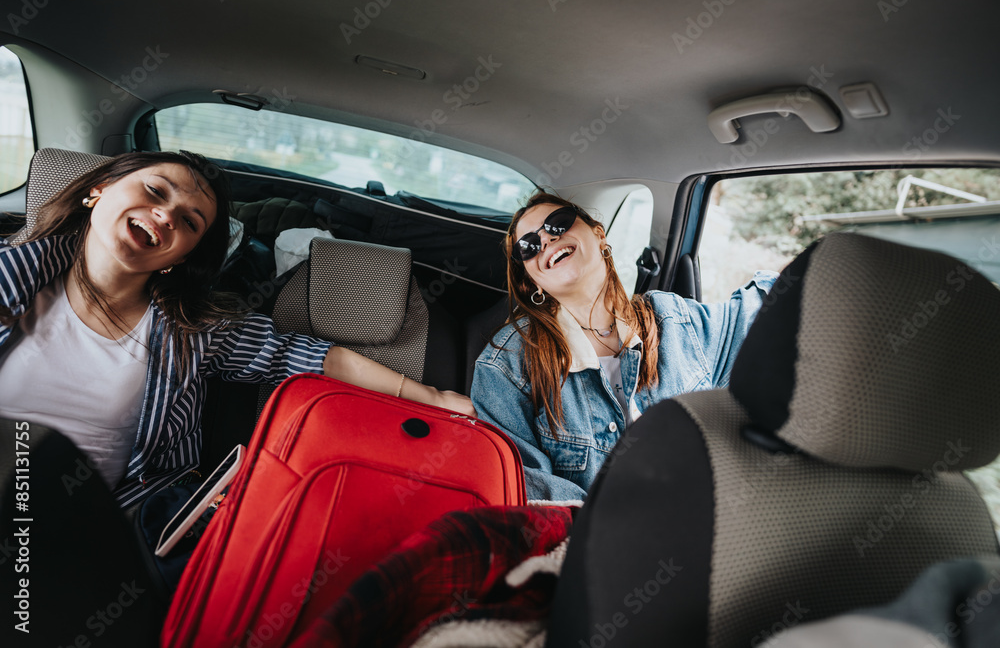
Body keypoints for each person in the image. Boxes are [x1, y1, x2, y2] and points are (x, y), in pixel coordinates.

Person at [0, 150, 474, 507]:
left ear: (181, 256)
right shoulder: (9, 277)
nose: (165, 215)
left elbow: (312, 357)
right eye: (155, 191)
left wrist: (434, 399)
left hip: (94, 528)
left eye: (189, 221)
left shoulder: (193, 331)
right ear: (98, 190)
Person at [471, 193, 778, 501]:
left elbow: (768, 311)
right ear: (532, 282)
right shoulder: (507, 364)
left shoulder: (674, 320)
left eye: (557, 223)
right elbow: (523, 485)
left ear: (599, 235)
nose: (547, 240)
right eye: (529, 246)